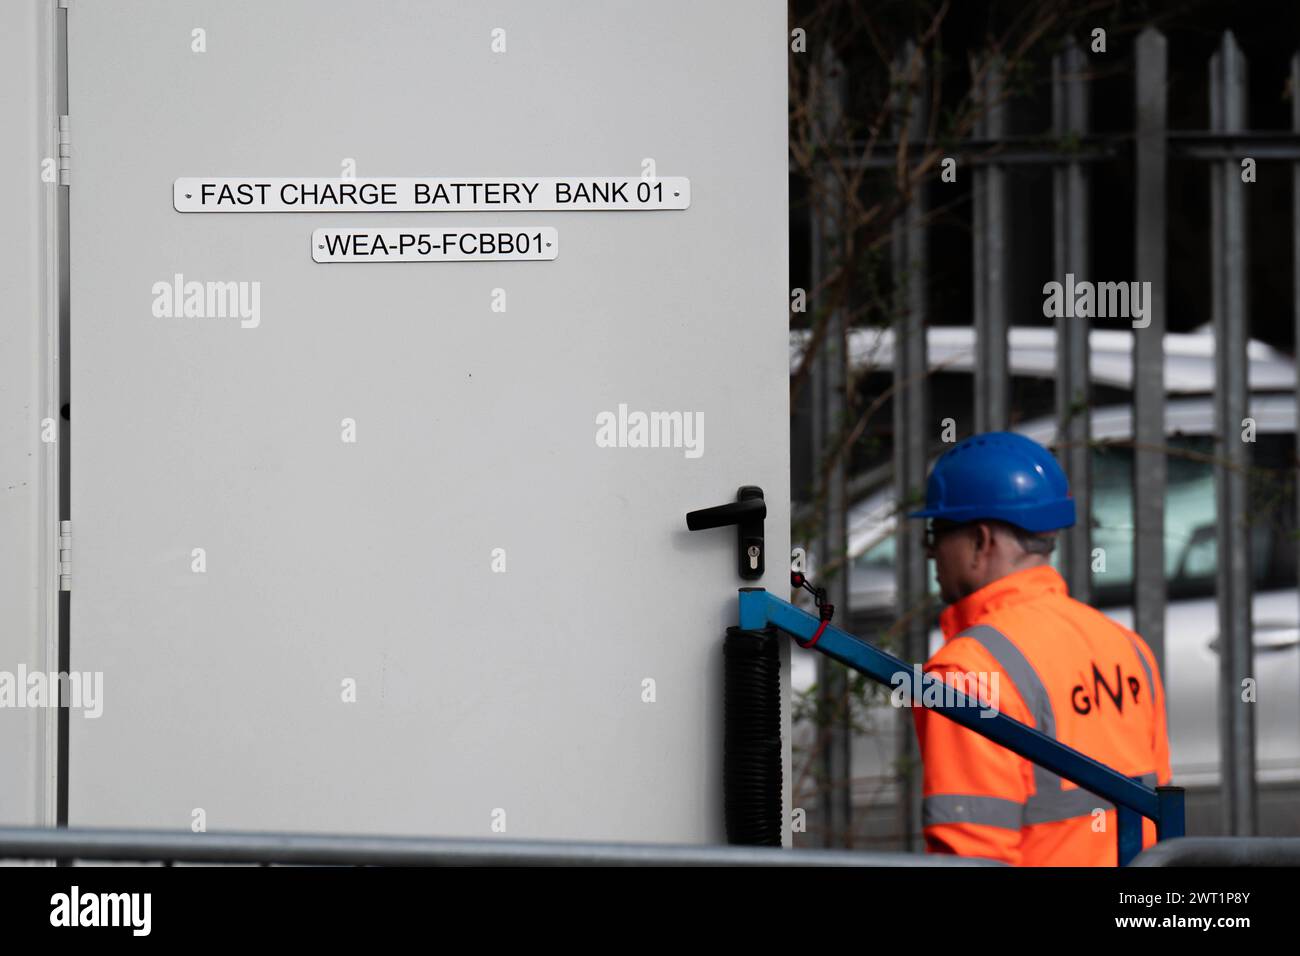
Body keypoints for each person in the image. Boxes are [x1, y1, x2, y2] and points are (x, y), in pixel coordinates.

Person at [907, 431, 1172, 866]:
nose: (931, 552)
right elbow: (1160, 819)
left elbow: (972, 855)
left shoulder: (965, 674)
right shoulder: (1128, 648)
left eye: (936, 532)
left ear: (980, 541)